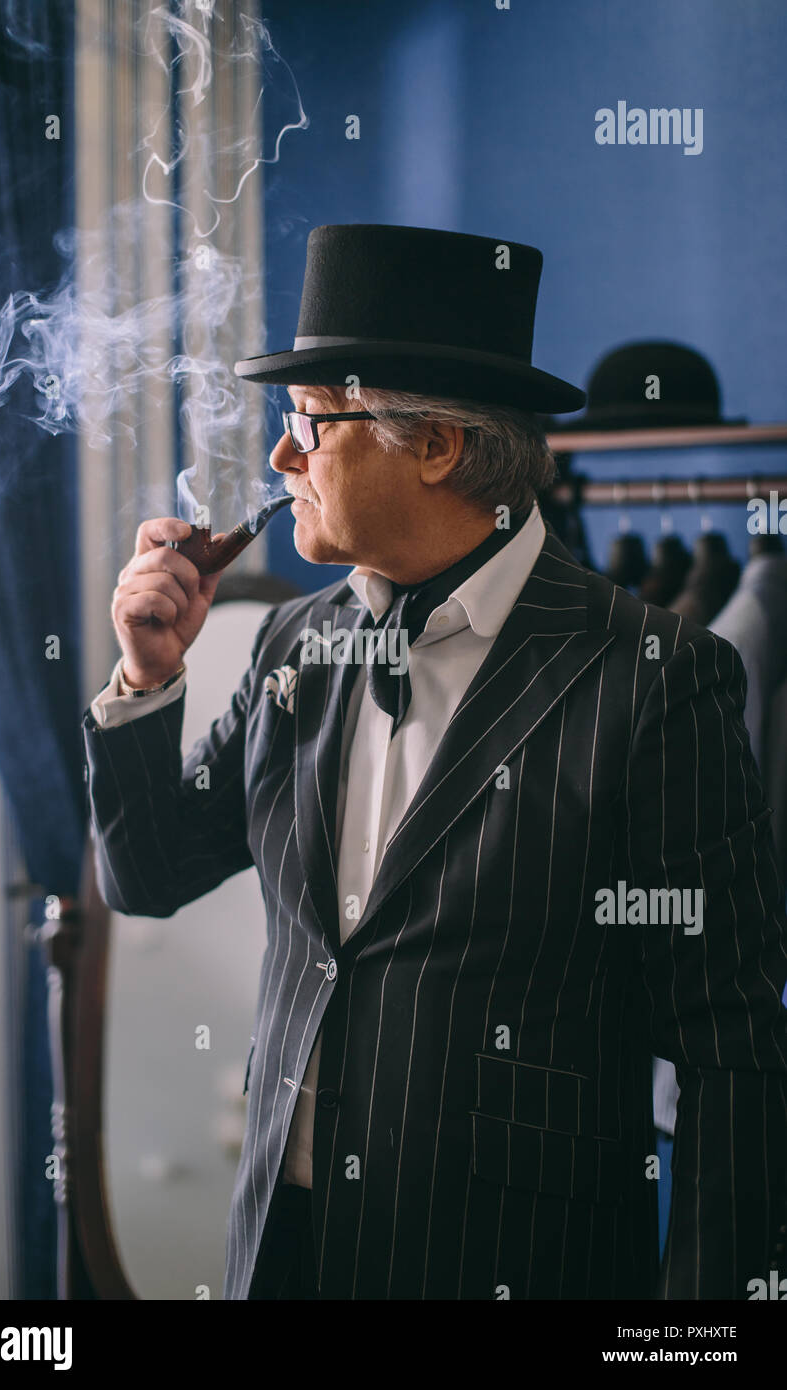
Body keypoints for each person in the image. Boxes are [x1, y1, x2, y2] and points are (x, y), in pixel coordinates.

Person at [82, 223, 787, 1300]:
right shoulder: (295, 645)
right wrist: (144, 677)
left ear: (435, 446)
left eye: (310, 423)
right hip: (281, 1253)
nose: (282, 458)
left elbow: (731, 1052)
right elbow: (147, 872)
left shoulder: (651, 676)